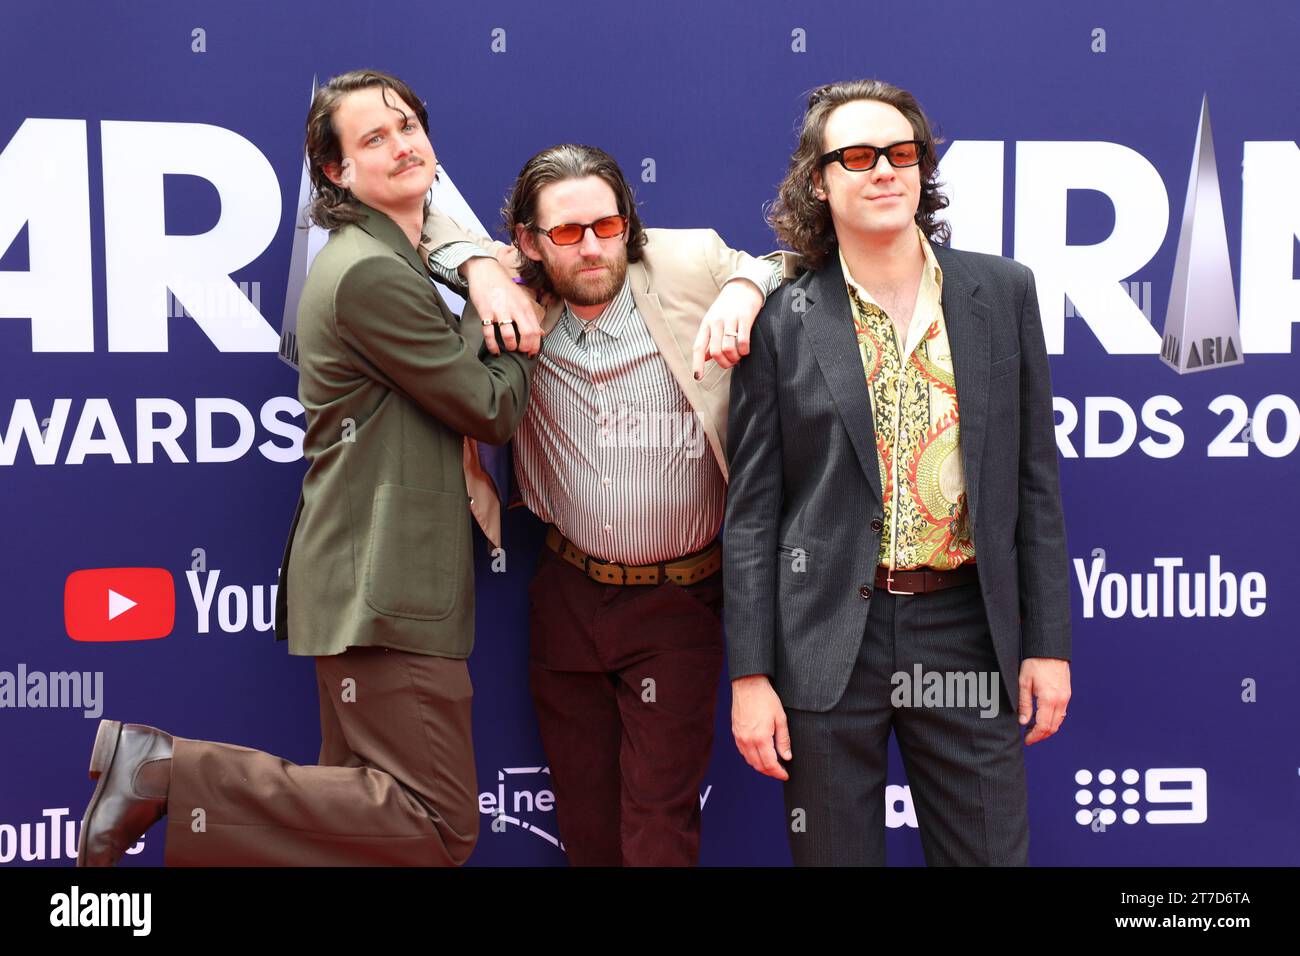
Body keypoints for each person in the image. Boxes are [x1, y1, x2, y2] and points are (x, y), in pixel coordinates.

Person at [75, 69, 539, 867]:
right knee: (433, 823)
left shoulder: (392, 252)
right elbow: (490, 407)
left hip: (367, 582)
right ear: (335, 171)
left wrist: (479, 268)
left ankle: (165, 775)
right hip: (384, 586)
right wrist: (517, 318)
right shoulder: (368, 272)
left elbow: (443, 250)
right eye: (373, 139)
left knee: (351, 837)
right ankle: (167, 769)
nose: (401, 146)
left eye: (406, 126)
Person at [724, 79, 1072, 866]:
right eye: (856, 155)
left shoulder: (1002, 291)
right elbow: (752, 512)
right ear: (819, 180)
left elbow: (1034, 483)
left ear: (921, 168)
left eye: (900, 152)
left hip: (964, 633)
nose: (883, 169)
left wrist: (1047, 644)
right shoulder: (781, 318)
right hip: (824, 640)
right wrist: (750, 675)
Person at [422, 143, 795, 865]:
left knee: (657, 826)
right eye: (566, 233)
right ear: (528, 240)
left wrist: (746, 291)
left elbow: (790, 263)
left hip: (680, 599)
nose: (592, 247)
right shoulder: (511, 291)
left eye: (607, 225)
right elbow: (426, 223)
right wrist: (481, 272)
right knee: (588, 828)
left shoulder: (688, 264)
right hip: (567, 590)